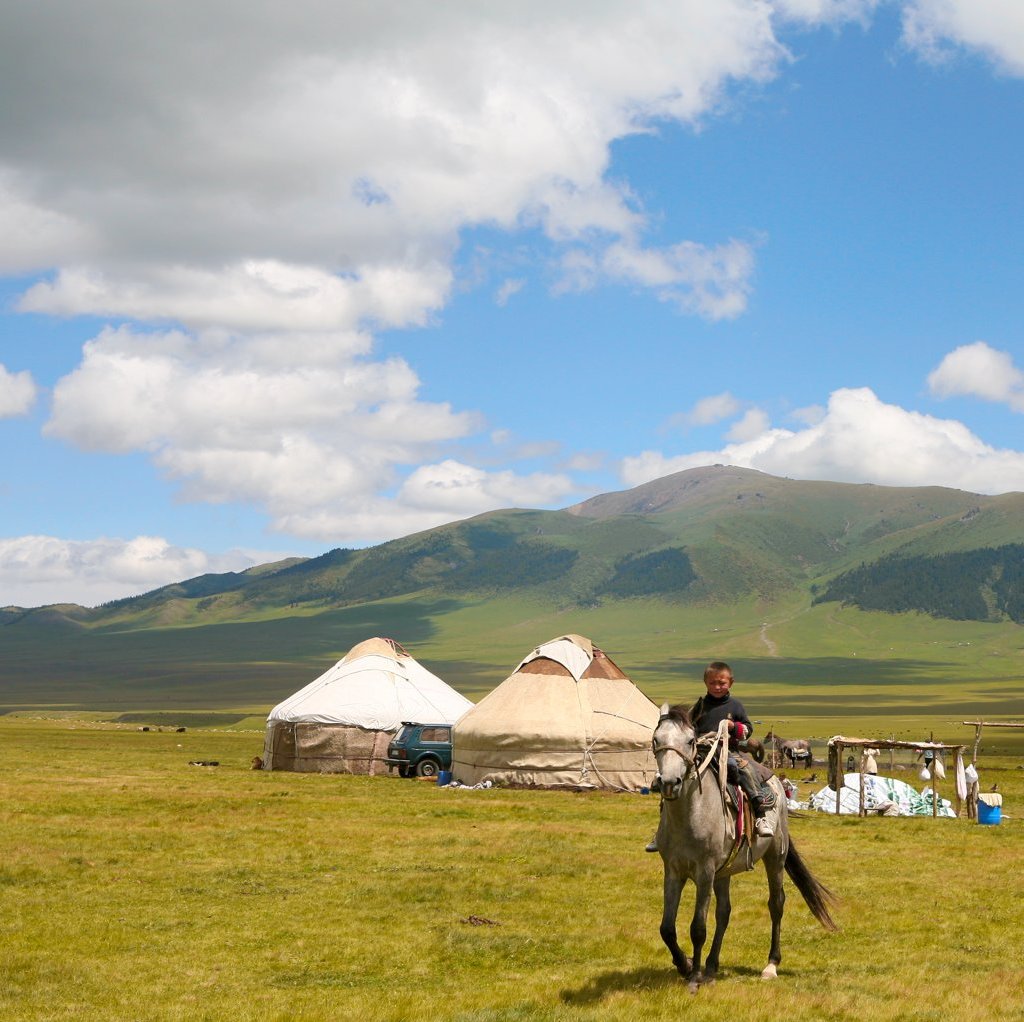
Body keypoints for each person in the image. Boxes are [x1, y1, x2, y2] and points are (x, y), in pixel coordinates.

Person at [646, 661, 776, 851]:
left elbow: (748, 729)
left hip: (727, 750)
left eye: (722, 683)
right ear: (705, 682)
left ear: (731, 683)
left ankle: (760, 814)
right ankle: (662, 832)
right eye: (713, 683)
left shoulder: (735, 706)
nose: (717, 687)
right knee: (674, 780)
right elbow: (688, 730)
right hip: (702, 750)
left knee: (743, 769)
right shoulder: (700, 706)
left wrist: (734, 727)